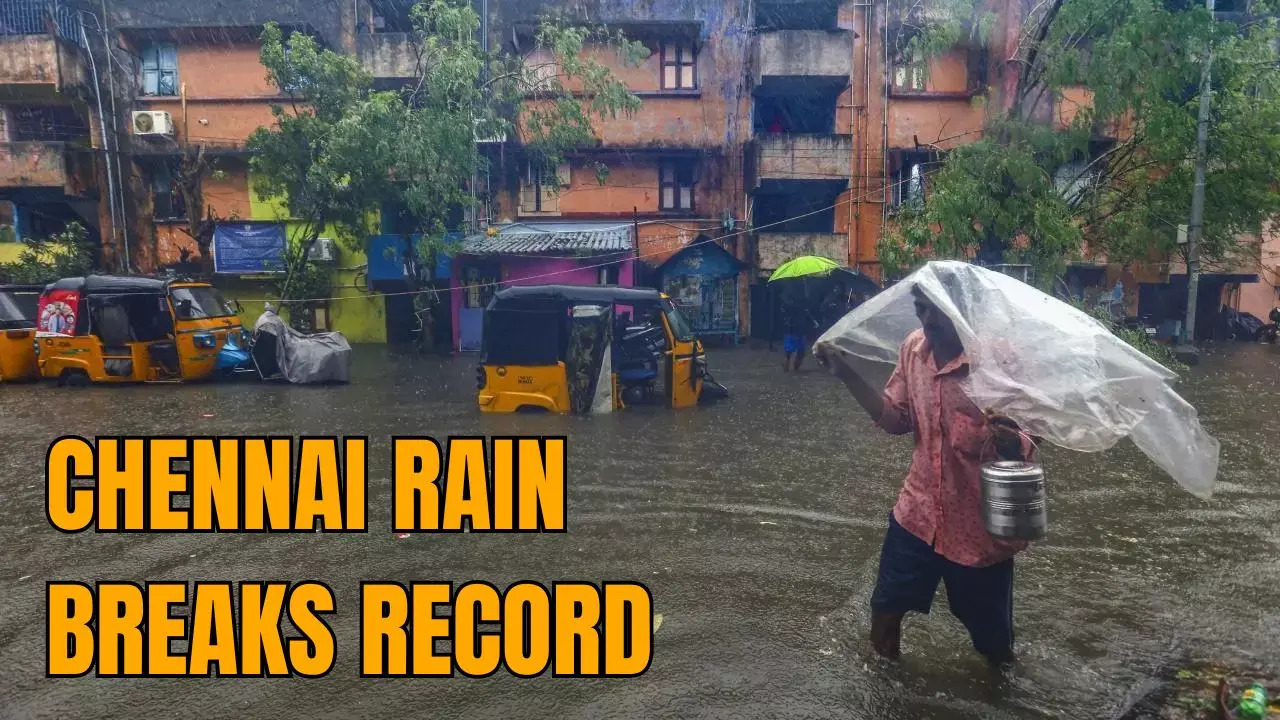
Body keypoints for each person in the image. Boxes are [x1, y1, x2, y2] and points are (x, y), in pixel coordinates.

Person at [815, 283, 1036, 669]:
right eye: (920, 308)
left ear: (963, 310)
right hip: (916, 516)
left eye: (937, 310)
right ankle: (886, 700)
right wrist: (847, 375)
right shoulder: (913, 350)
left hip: (978, 531)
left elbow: (1032, 437)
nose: (928, 319)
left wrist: (1010, 441)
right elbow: (897, 419)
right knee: (884, 613)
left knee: (994, 646)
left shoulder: (998, 360)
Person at [781, 300, 817, 372]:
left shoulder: (798, 307)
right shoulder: (798, 307)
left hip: (796, 331)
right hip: (794, 332)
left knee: (795, 352)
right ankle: (792, 368)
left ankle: (791, 369)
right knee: (795, 351)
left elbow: (809, 317)